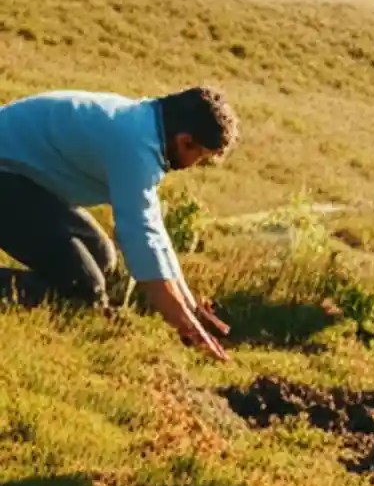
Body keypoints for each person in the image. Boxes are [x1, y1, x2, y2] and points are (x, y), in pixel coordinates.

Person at [0, 87, 237, 360]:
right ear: (185, 141)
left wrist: (192, 308)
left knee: (101, 256)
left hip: (23, 179)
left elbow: (154, 231)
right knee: (83, 291)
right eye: (201, 157)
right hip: (7, 178)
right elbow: (141, 238)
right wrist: (189, 329)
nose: (197, 165)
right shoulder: (134, 147)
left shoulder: (144, 129)